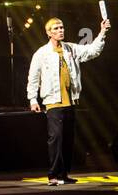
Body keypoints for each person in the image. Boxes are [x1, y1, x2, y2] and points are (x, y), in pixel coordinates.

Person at [26, 15, 110, 185]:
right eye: (56, 28)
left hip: (70, 101)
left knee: (67, 139)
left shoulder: (70, 49)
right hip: (53, 101)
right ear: (49, 32)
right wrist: (33, 99)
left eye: (62, 27)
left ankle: (64, 174)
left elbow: (92, 51)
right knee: (55, 138)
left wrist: (102, 32)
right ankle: (53, 175)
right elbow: (33, 77)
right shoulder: (41, 53)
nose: (60, 30)